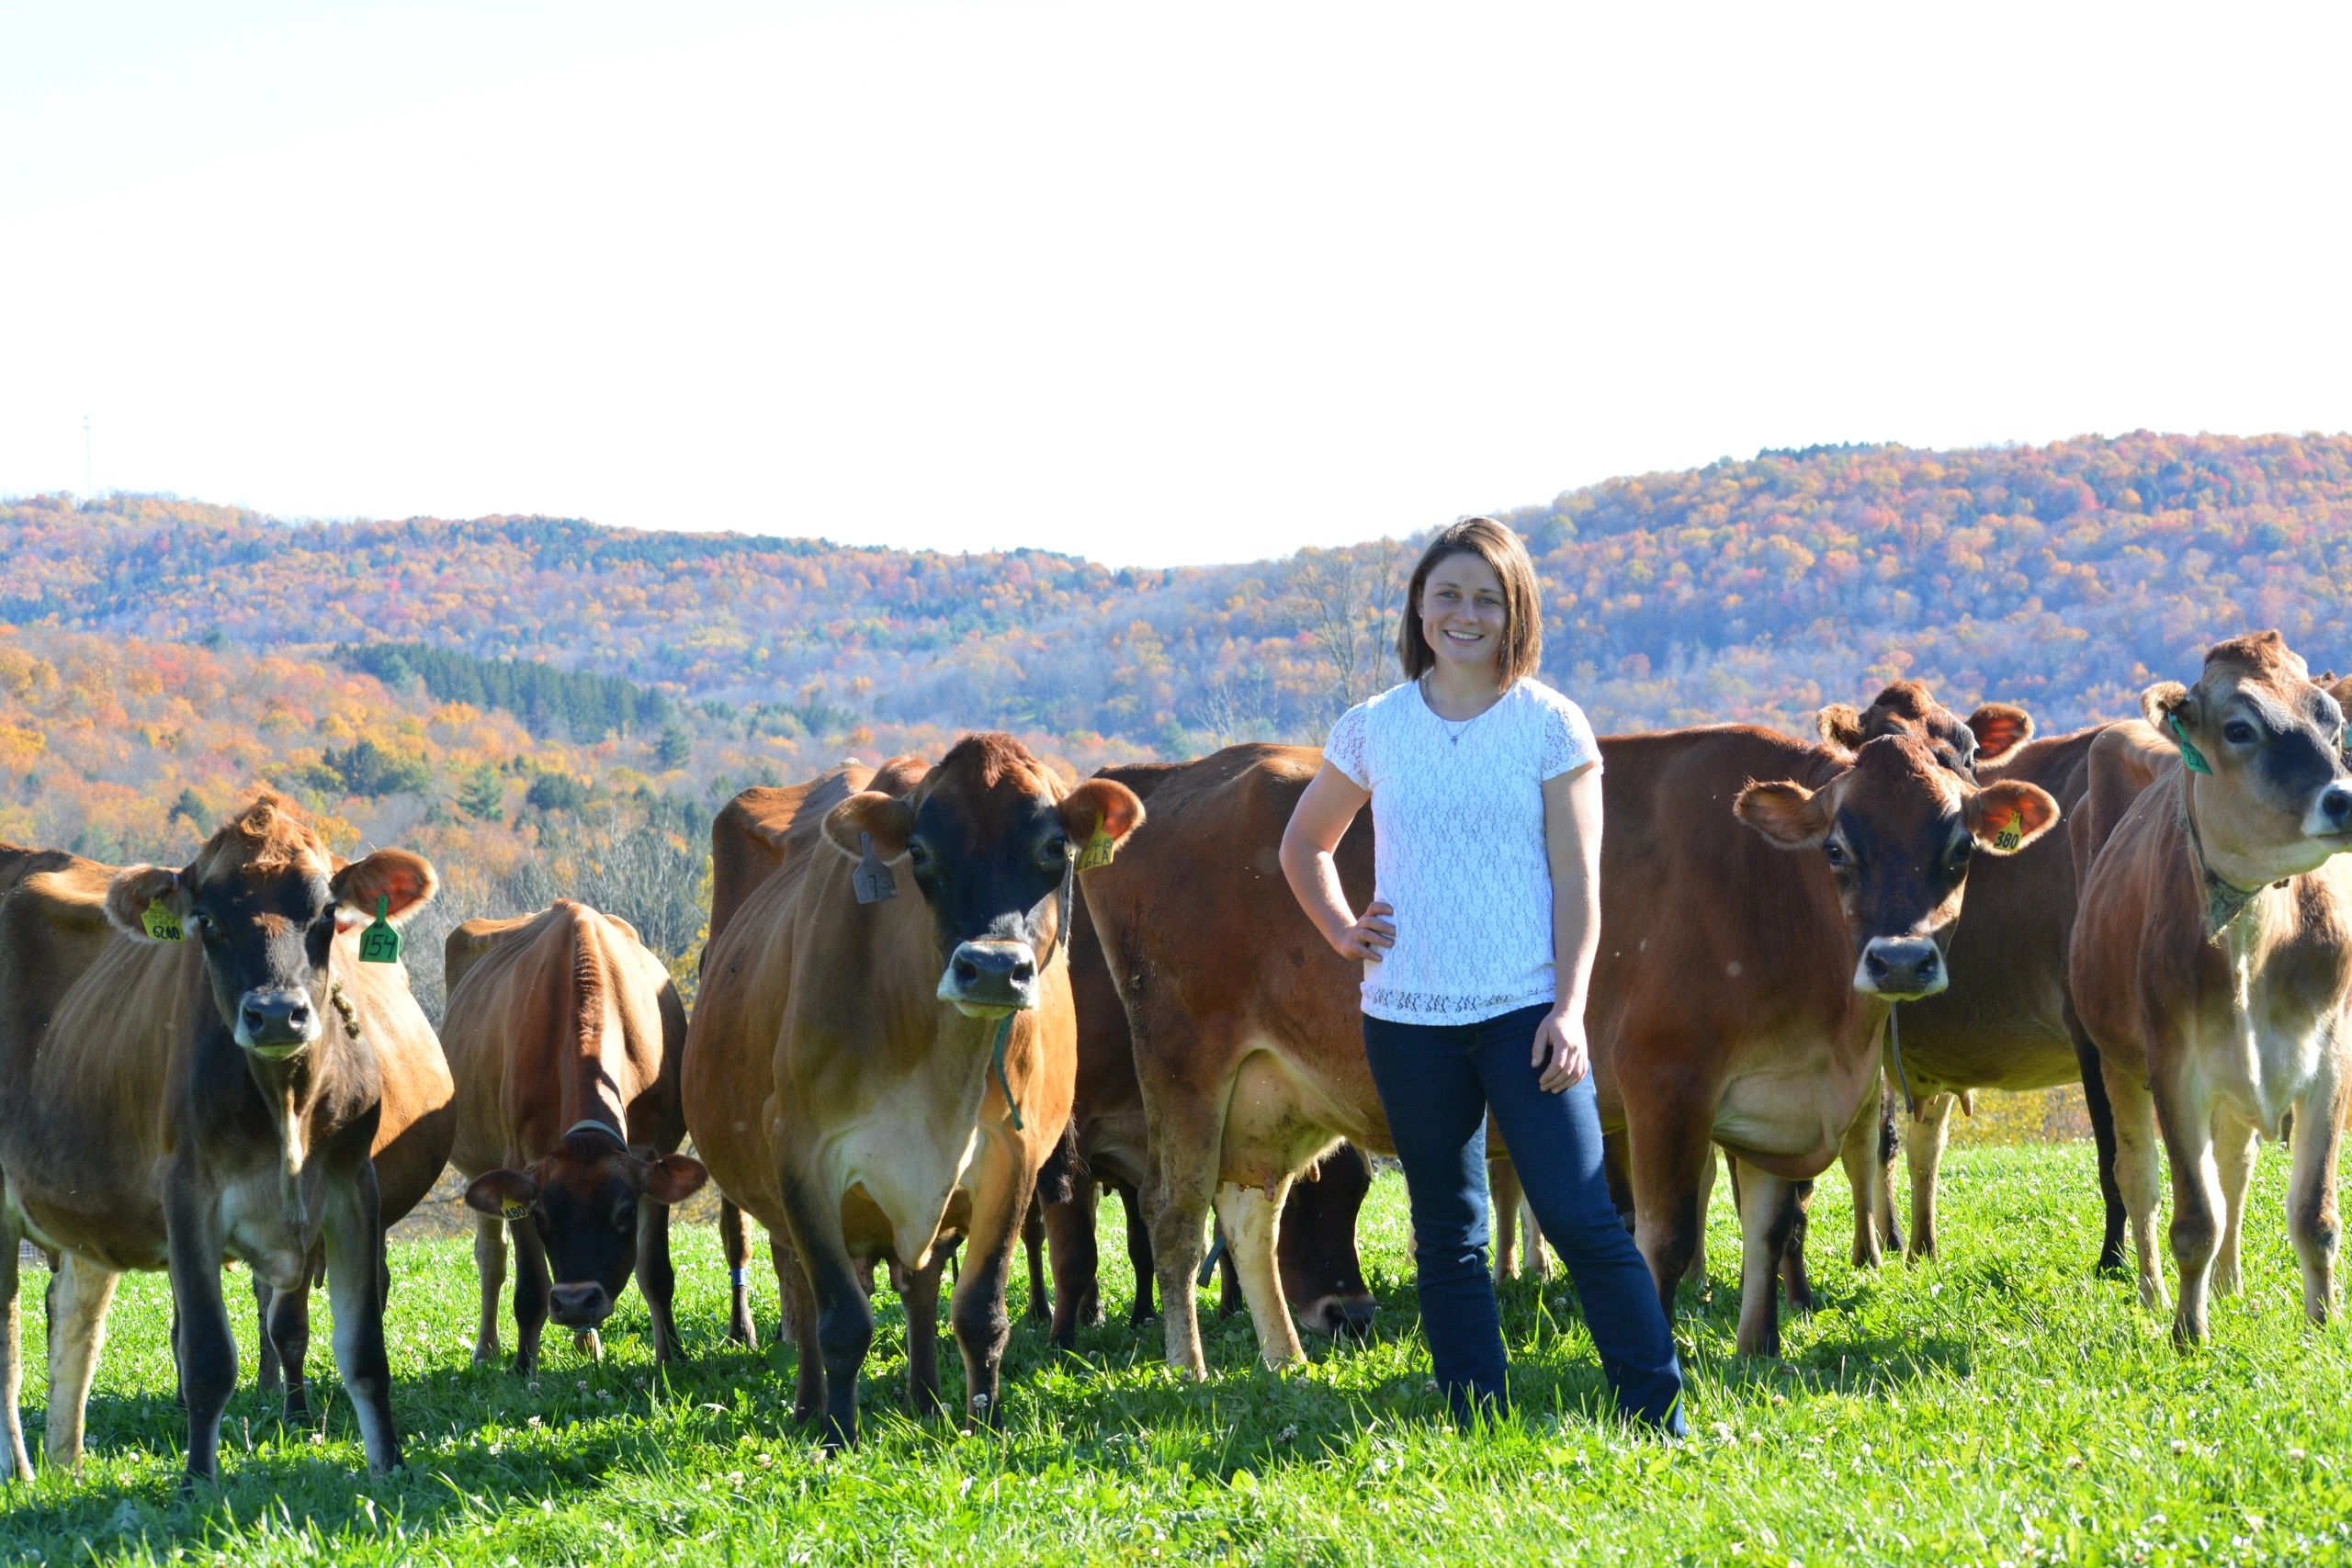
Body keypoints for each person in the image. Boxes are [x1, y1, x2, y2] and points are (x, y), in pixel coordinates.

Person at [1277, 515, 1686, 1436]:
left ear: (1516, 612)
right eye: (1448, 595)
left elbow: (1579, 883)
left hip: (1527, 1015)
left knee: (1580, 1218)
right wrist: (1342, 929)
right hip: (1405, 1017)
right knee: (1448, 1231)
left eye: (1486, 599)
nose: (1465, 614)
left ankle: (1656, 1416)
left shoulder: (1551, 725)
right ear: (1420, 607)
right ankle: (1475, 1422)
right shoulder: (1372, 727)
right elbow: (1304, 843)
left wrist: (1571, 1010)